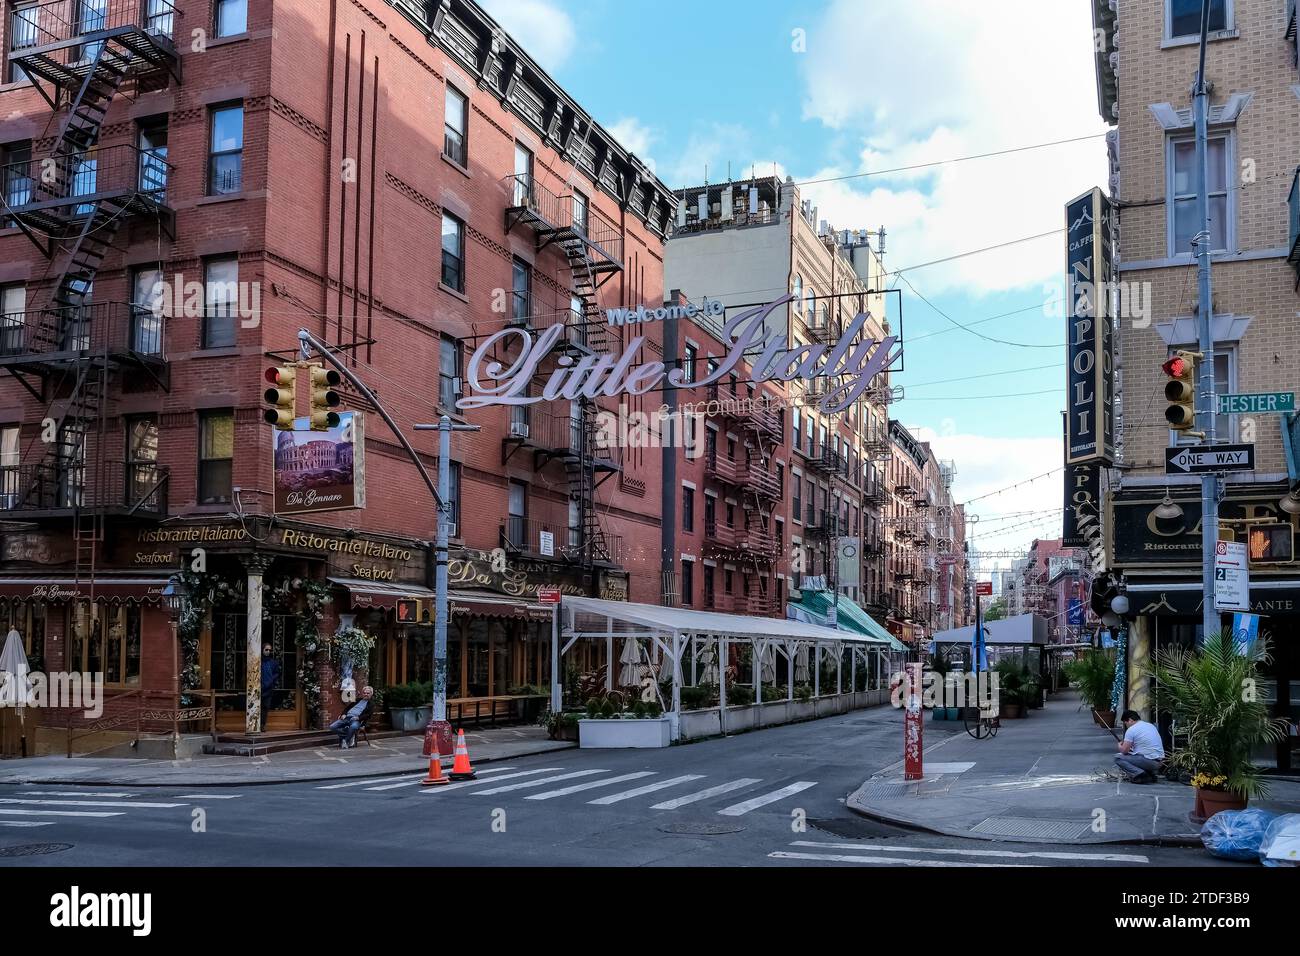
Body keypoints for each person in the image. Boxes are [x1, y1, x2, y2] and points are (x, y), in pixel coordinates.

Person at [1114, 708, 1165, 783]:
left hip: (1148, 761)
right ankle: (1151, 774)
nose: (1127, 726)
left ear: (1130, 720)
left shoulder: (1131, 730)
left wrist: (1119, 746)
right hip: (1159, 762)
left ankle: (1140, 774)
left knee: (1118, 758)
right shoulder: (1150, 725)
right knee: (1135, 756)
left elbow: (1124, 751)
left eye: (1126, 723)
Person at [259, 644, 280, 732]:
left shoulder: (273, 662)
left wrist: (271, 680)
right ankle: (254, 725)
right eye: (266, 650)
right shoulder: (258, 660)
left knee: (265, 707)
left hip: (268, 688)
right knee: (256, 707)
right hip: (258, 688)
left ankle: (262, 725)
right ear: (262, 650)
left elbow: (277, 673)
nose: (268, 652)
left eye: (269, 650)